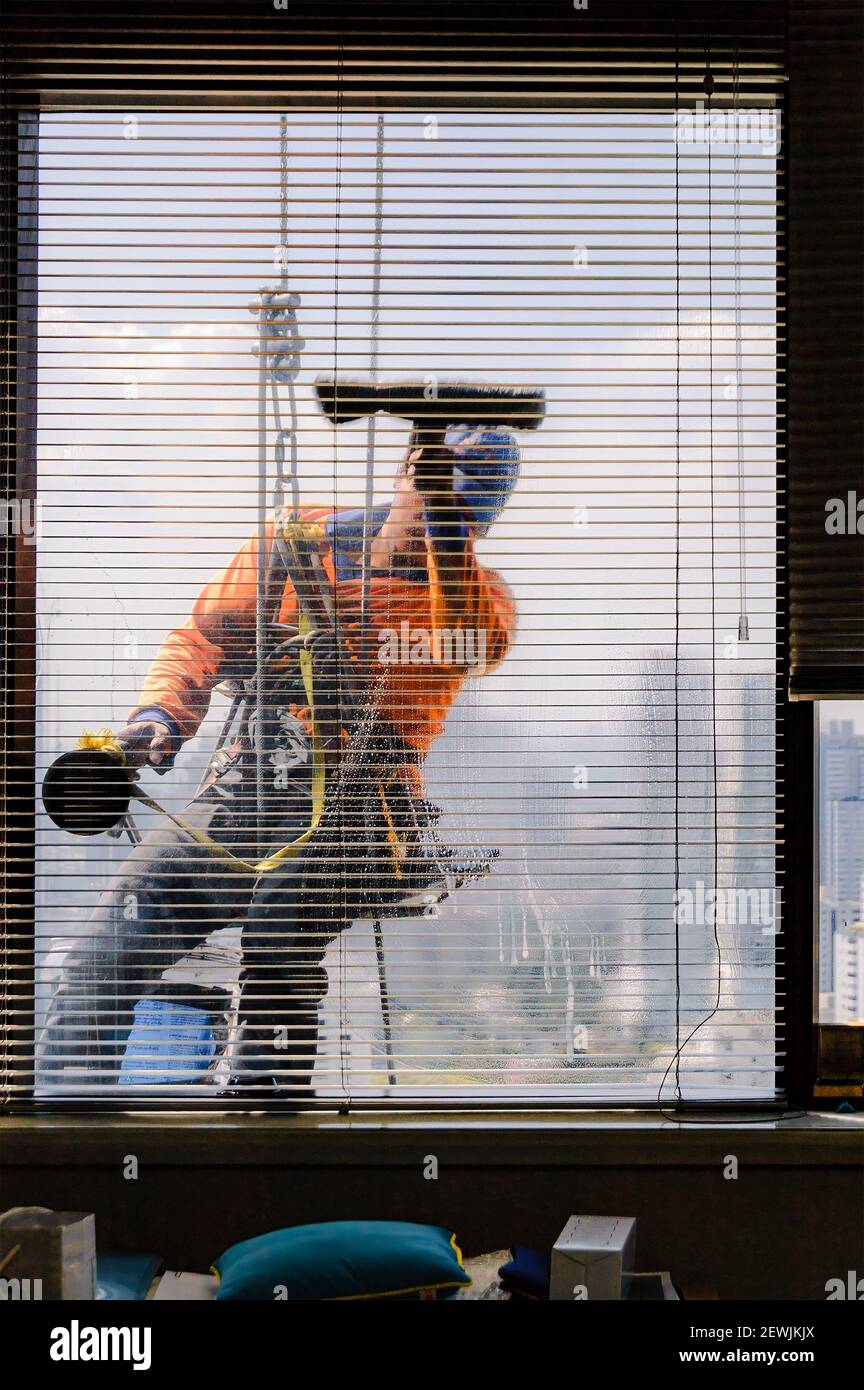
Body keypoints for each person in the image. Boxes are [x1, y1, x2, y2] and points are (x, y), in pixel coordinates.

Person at [39, 427, 519, 1096]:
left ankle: (261, 1124)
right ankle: (70, 1120)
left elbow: (470, 644)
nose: (441, 523)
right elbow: (205, 641)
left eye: (459, 515)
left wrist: (442, 524)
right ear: (405, 469)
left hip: (363, 808)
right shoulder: (302, 544)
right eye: (434, 495)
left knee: (281, 930)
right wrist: (156, 721)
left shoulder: (473, 601)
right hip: (248, 785)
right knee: (118, 929)